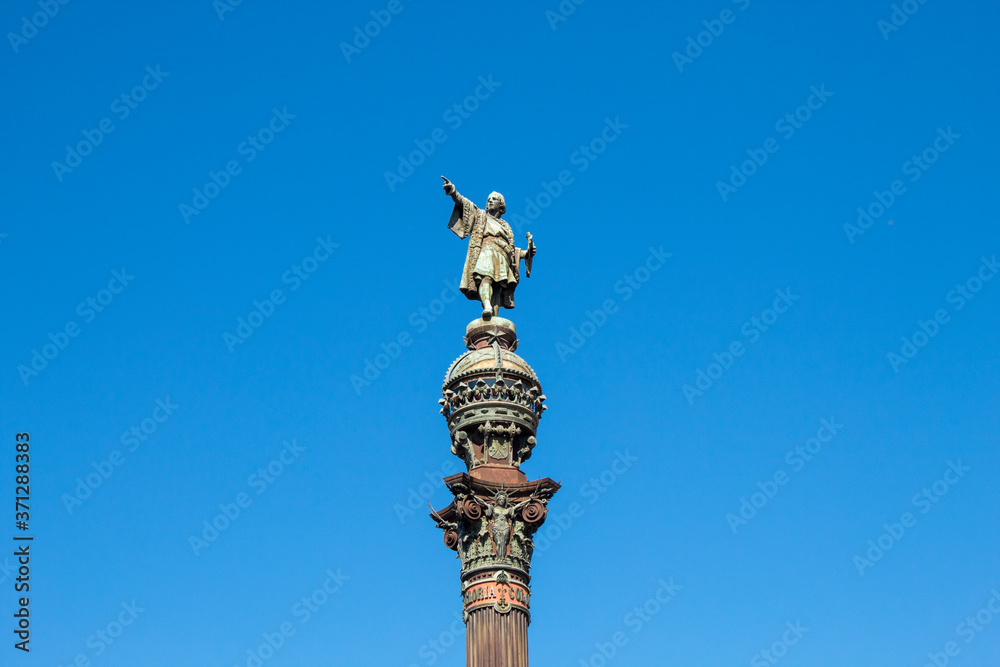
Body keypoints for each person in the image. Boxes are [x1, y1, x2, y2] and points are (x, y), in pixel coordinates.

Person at [442, 176, 536, 319]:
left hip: (502, 256)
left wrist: (528, 251)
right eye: (488, 199)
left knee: (498, 288)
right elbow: (465, 204)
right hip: (487, 250)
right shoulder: (481, 216)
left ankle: (493, 317)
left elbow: (513, 252)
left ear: (501, 205)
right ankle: (486, 306)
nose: (490, 201)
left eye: (494, 199)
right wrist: (453, 192)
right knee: (485, 278)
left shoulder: (506, 226)